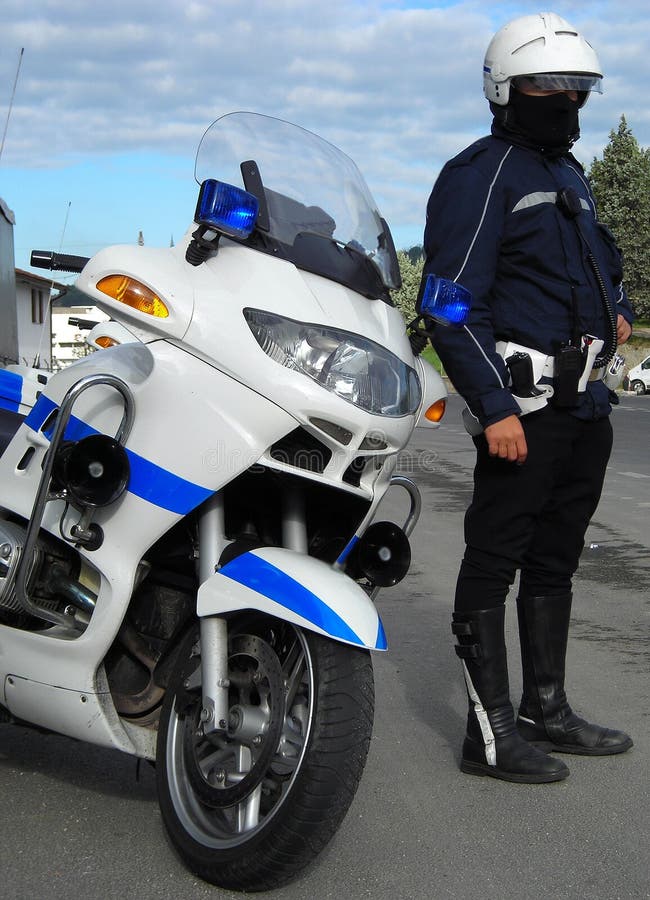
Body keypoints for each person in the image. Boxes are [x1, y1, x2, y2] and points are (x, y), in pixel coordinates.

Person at [419, 12, 634, 783]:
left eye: (579, 89)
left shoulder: (568, 175)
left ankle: (548, 709)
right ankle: (489, 735)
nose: (568, 101)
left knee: (555, 562)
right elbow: (449, 304)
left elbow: (601, 268)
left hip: (586, 409)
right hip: (525, 412)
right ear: (506, 89)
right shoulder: (482, 174)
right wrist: (495, 407)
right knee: (495, 560)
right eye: (551, 87)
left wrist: (620, 309)